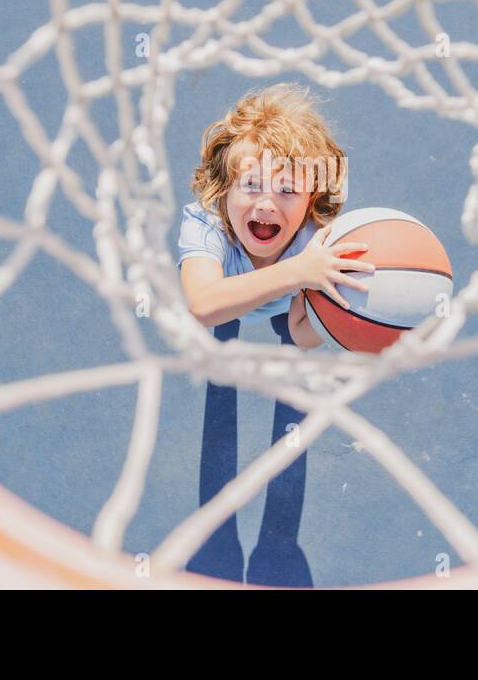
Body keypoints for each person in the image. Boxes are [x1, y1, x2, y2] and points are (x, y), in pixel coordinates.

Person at [176, 82, 372, 585]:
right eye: (251, 186)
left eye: (287, 191)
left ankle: (277, 542)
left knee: (292, 342)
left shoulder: (321, 240)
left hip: (291, 296)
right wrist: (300, 272)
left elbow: (307, 337)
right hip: (245, 289)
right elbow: (202, 303)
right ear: (223, 191)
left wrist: (331, 307)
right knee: (224, 318)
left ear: (310, 200)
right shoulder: (206, 226)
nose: (266, 203)